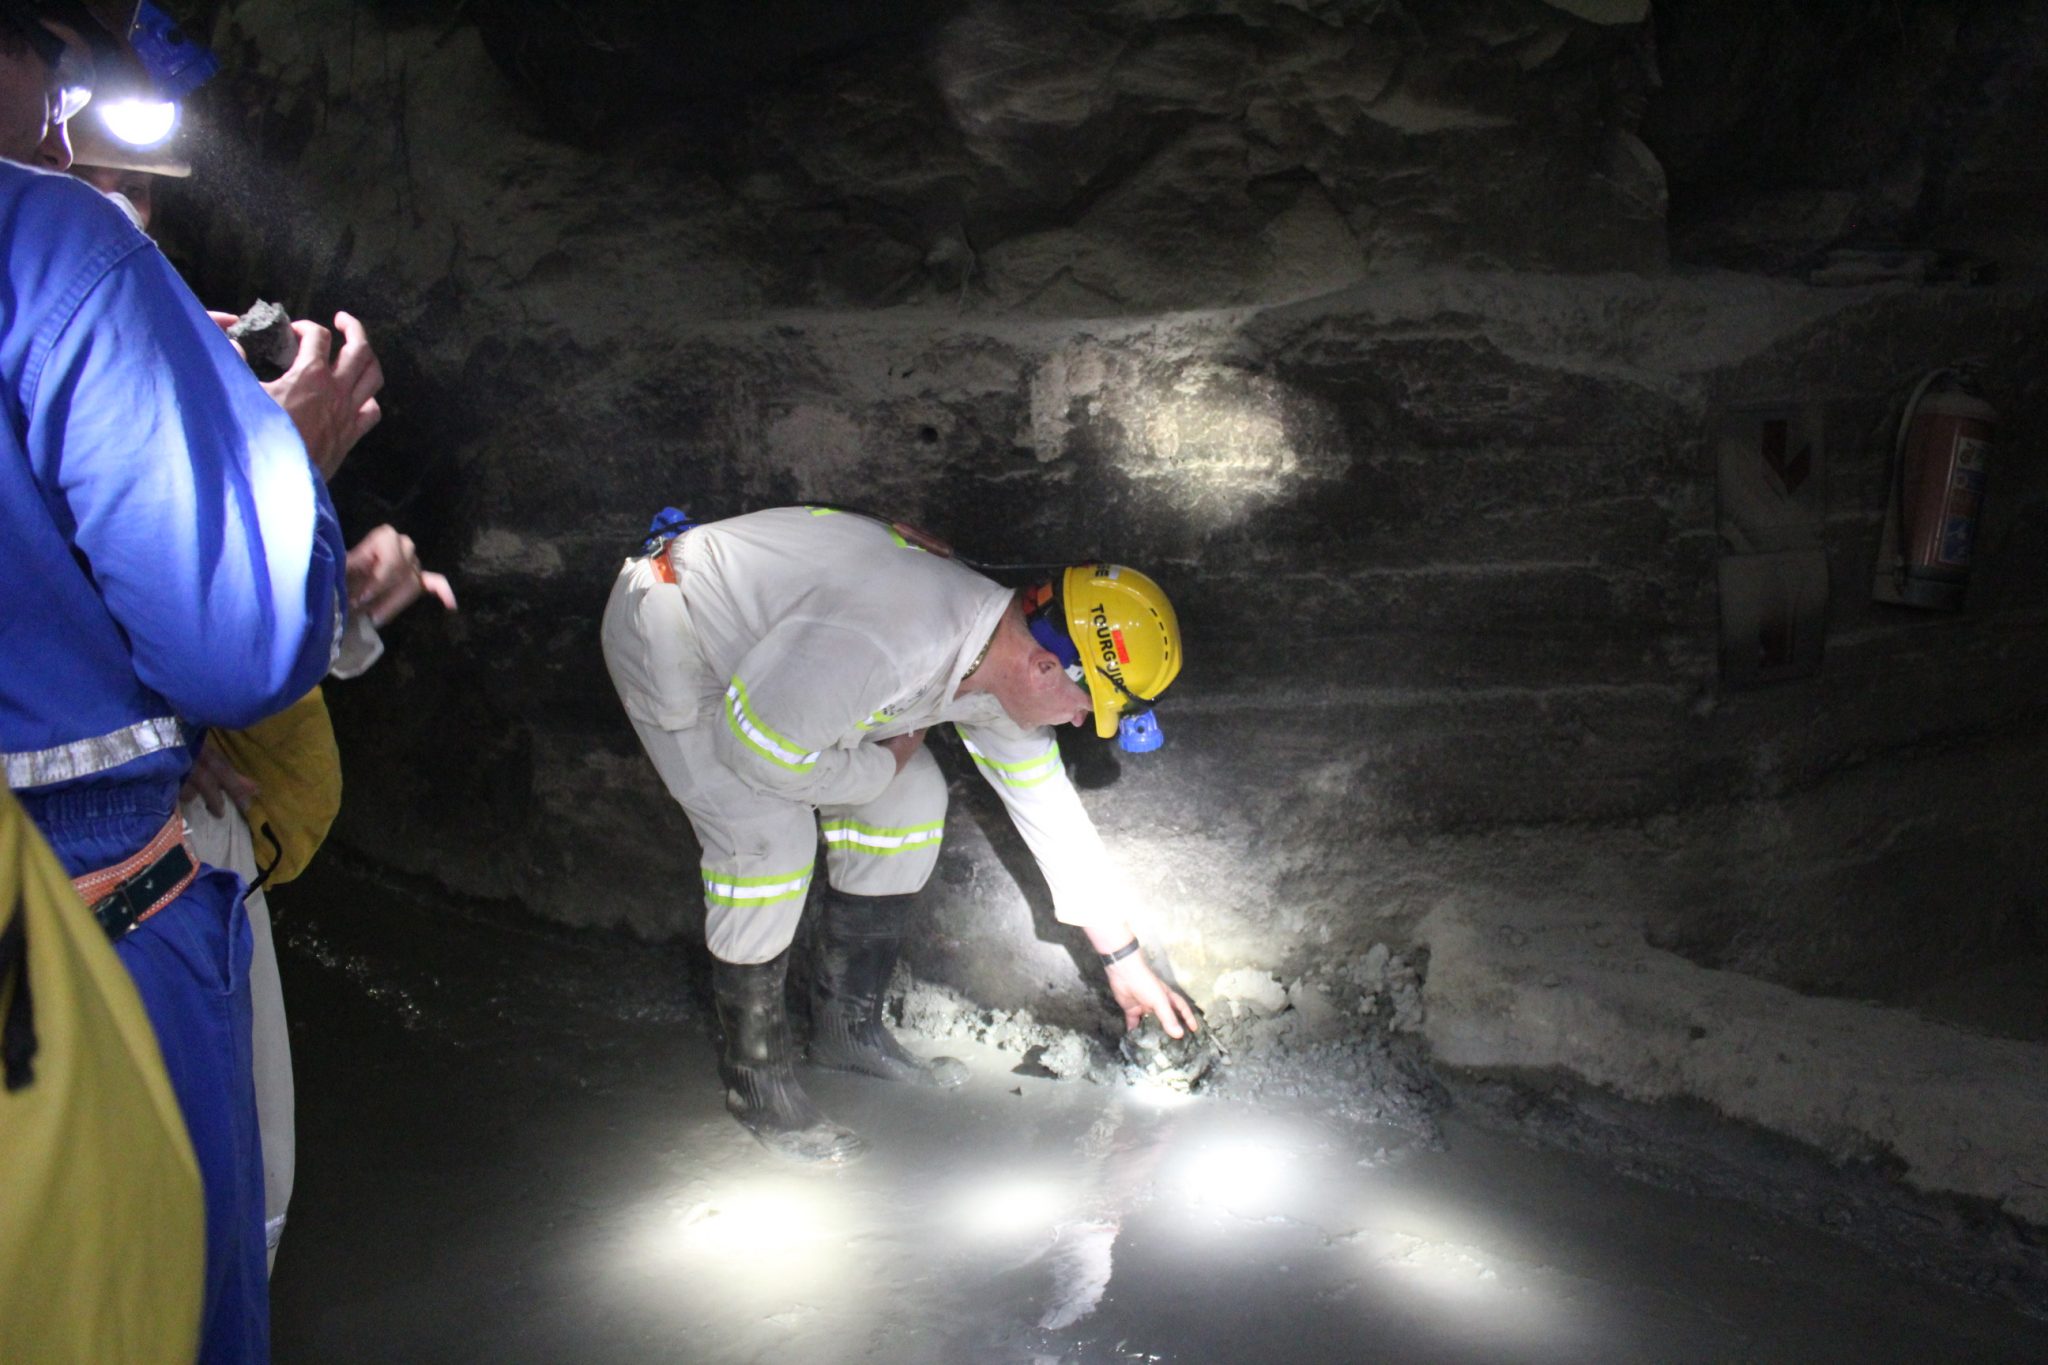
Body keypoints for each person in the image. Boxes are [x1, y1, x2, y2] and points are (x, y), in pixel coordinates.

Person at [0, 4, 363, 1358]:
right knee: (148, 1294)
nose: (59, 130)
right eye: (56, 92)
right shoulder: (50, 248)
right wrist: (280, 456)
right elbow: (233, 642)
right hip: (87, 906)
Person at [69, 104, 456, 1271]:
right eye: (90, 177)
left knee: (239, 1185)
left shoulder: (147, 338)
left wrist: (339, 595)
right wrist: (282, 464)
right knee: (133, 1227)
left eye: (138, 189)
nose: (122, 212)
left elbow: (213, 616)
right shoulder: (47, 358)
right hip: (92, 872)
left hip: (198, 846)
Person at [602, 505, 1198, 1163]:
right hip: (681, 635)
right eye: (1091, 704)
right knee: (768, 840)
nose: (1087, 721)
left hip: (792, 667)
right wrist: (876, 765)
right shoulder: (901, 636)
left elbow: (1047, 807)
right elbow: (754, 751)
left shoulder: (997, 650)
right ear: (1043, 667)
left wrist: (1125, 960)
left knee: (912, 798)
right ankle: (758, 1084)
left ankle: (845, 1033)